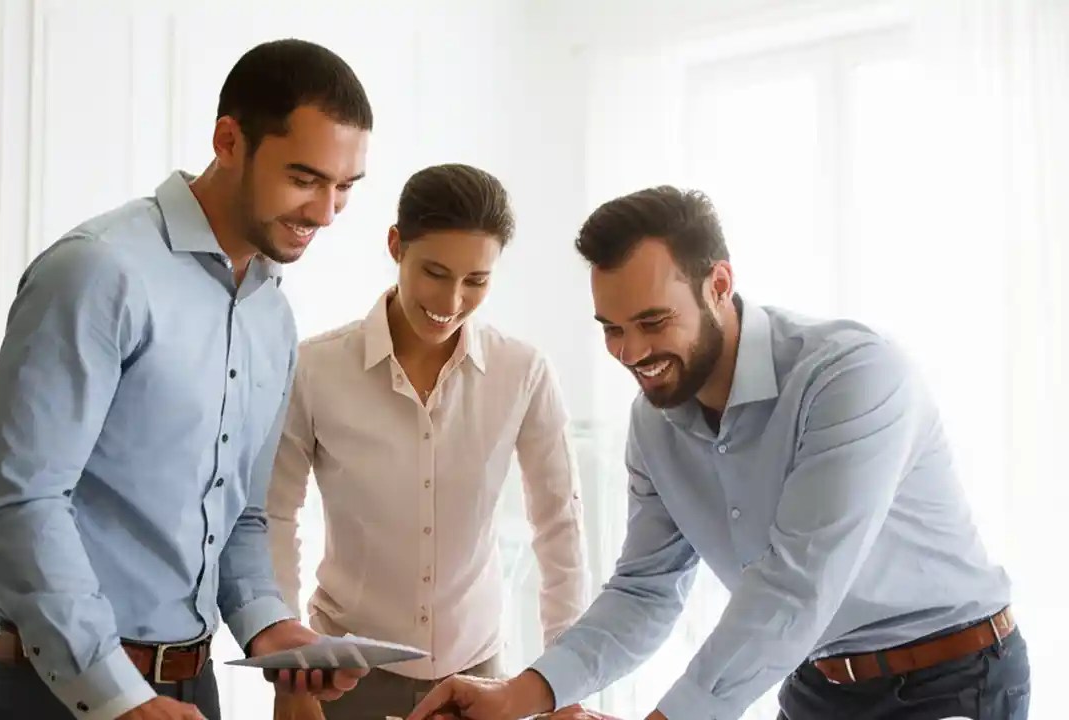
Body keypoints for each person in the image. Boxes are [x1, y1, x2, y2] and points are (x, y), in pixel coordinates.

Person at [407, 186, 1029, 720]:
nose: (631, 353)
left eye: (653, 322)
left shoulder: (851, 377)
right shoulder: (653, 423)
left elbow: (794, 586)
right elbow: (645, 592)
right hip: (816, 684)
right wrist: (518, 694)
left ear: (719, 285)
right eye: (612, 329)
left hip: (948, 677)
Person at [0, 39, 374, 720]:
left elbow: (240, 514)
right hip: (64, 694)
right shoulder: (99, 272)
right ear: (229, 141)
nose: (326, 212)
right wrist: (119, 695)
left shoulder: (271, 314)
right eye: (305, 178)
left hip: (192, 684)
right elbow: (17, 504)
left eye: (346, 187)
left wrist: (269, 626)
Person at [266, 164, 591, 720]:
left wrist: (567, 686)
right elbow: (275, 516)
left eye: (476, 281)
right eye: (435, 273)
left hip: (479, 679)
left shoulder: (523, 372)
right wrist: (290, 674)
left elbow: (559, 528)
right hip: (342, 679)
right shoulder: (314, 370)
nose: (452, 299)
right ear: (396, 246)